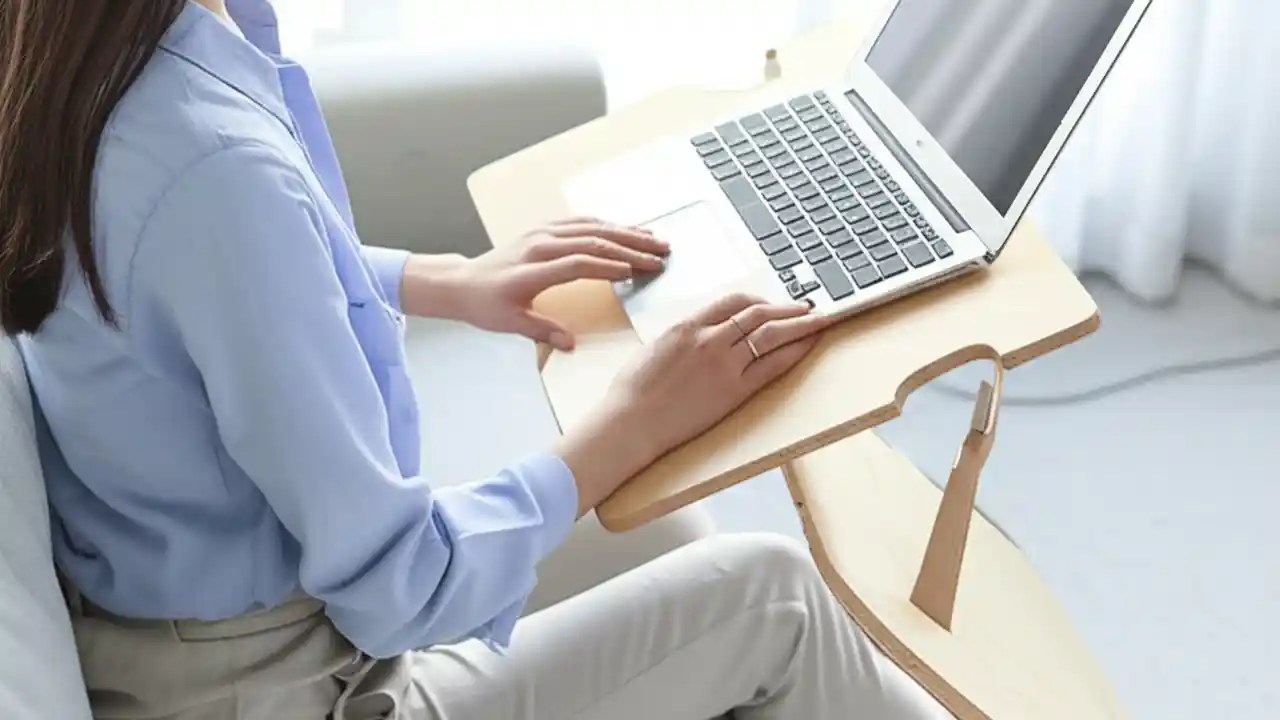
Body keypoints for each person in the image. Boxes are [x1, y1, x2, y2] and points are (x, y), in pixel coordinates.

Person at [0, 1, 950, 718]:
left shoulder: (75, 60)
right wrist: (636, 418)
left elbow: (182, 285)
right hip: (291, 687)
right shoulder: (212, 165)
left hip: (190, 639)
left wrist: (434, 279)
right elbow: (396, 586)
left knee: (660, 527)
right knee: (770, 595)